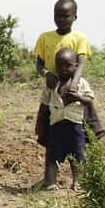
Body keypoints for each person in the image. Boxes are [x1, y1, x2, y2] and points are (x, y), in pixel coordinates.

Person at [33, 0, 105, 142]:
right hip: (53, 85)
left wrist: (74, 83)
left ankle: (93, 136)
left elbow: (81, 62)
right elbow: (39, 64)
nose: (61, 19)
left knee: (85, 119)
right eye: (57, 15)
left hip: (74, 85)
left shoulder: (79, 38)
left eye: (66, 16)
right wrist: (47, 74)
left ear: (75, 17)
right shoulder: (44, 37)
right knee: (47, 119)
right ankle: (45, 138)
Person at [33, 48, 94, 191]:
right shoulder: (52, 84)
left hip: (75, 127)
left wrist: (78, 97)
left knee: (78, 154)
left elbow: (89, 100)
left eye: (68, 65)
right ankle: (51, 181)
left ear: (76, 66)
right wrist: (39, 124)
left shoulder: (81, 84)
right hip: (56, 126)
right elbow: (44, 105)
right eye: (60, 66)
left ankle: (78, 182)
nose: (64, 69)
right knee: (53, 154)